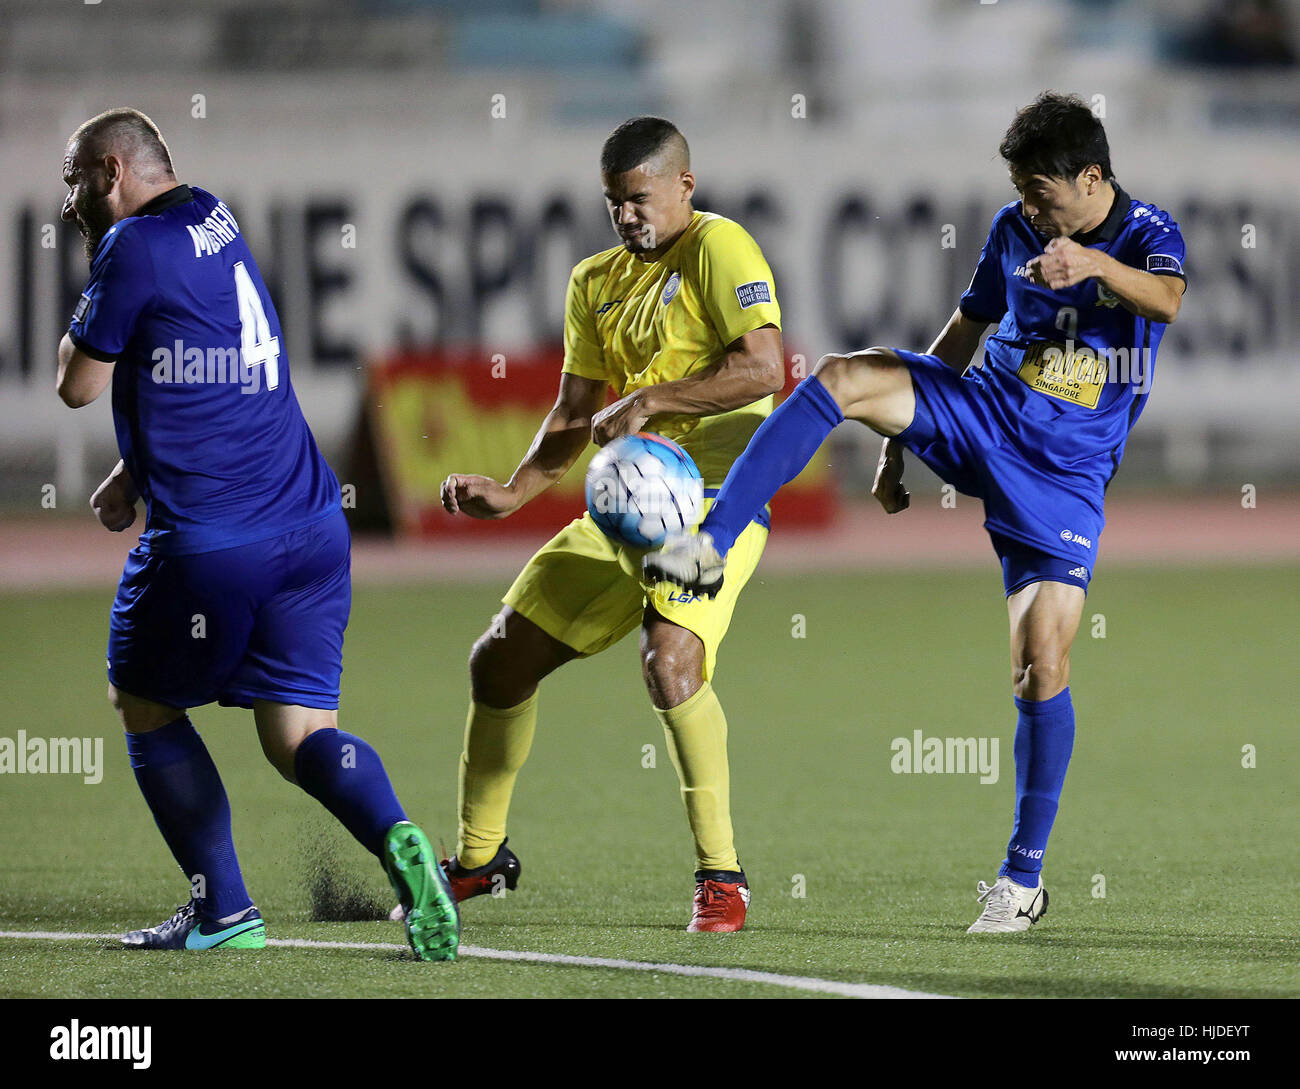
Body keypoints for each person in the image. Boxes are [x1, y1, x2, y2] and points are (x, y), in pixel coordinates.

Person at [647, 92, 1187, 933]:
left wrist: (1095, 268)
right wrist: (899, 446)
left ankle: (1021, 882)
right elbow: (966, 329)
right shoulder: (1016, 231)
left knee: (1041, 660)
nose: (1031, 211)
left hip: (1065, 475)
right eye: (1019, 193)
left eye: (1042, 195)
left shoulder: (1147, 231)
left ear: (1091, 177)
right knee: (839, 376)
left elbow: (1167, 301)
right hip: (982, 416)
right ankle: (709, 540)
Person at [57, 107, 458, 959]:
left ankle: (223, 909)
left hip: (214, 542)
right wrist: (137, 470)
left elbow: (76, 385)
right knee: (299, 735)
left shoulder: (132, 247)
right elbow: (217, 362)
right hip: (310, 526)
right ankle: (397, 837)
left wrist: (90, 312)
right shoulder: (213, 215)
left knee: (144, 701)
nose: (69, 208)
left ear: (110, 172)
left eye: (74, 184)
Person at [435, 117, 784, 932]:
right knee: (498, 659)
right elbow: (573, 411)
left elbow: (766, 367)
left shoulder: (717, 246)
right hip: (625, 505)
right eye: (613, 202)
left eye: (640, 198)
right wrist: (516, 492)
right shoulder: (595, 281)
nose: (628, 216)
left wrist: (655, 398)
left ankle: (722, 879)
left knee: (669, 662)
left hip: (714, 502)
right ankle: (481, 863)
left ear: (682, 189)